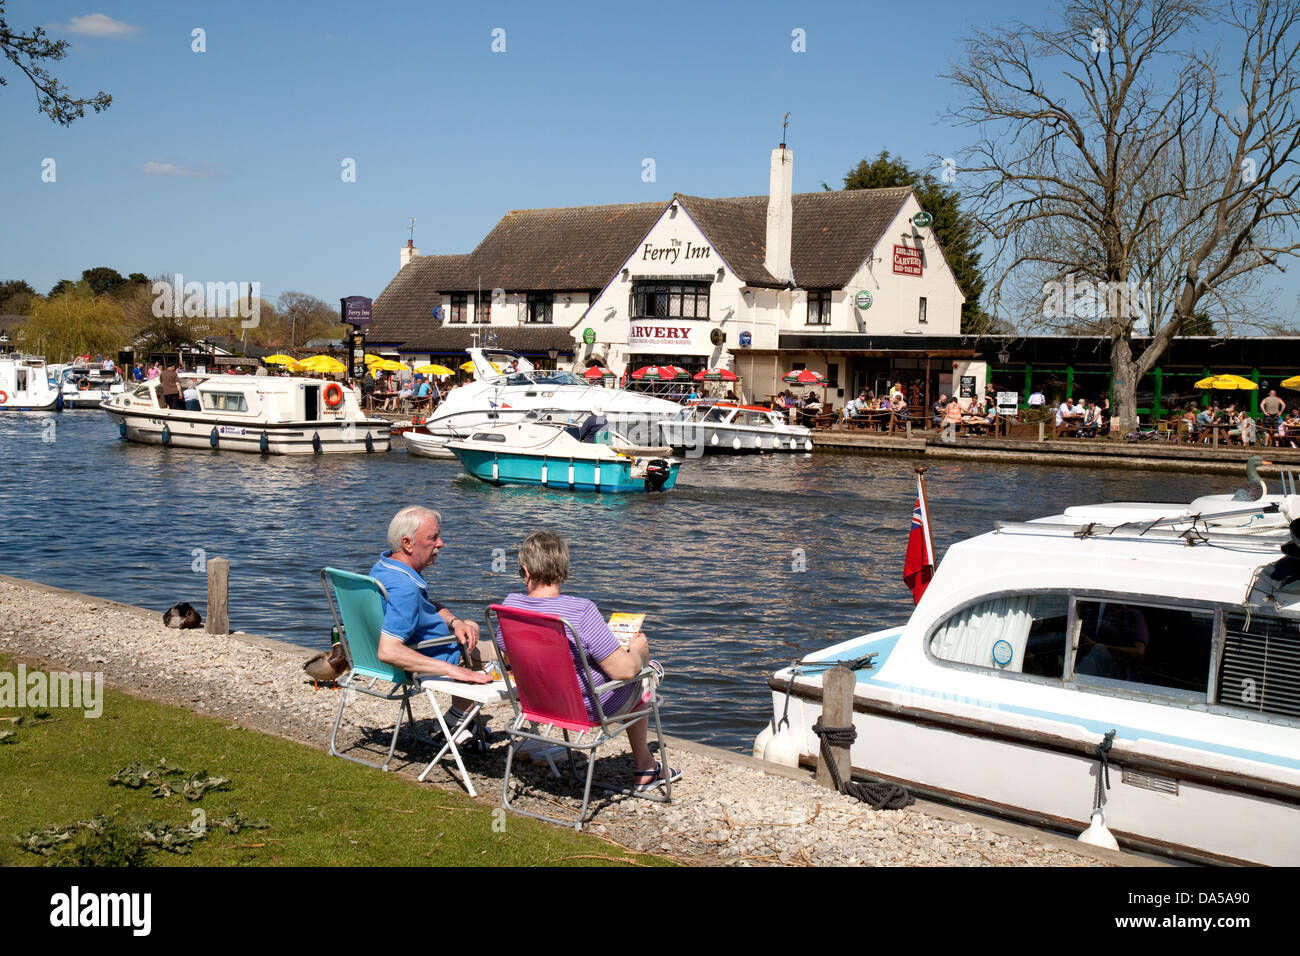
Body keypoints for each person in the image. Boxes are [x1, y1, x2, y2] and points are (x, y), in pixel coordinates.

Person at [495, 530, 680, 792]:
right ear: (563, 570)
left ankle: (650, 677)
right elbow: (624, 670)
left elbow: (508, 654)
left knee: (620, 670)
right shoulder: (580, 611)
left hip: (536, 703)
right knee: (642, 677)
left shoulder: (509, 607)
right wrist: (638, 650)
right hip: (584, 709)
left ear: (525, 571)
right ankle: (646, 767)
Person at [370, 507, 495, 738]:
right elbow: (388, 651)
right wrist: (454, 670)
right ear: (408, 543)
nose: (441, 543)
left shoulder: (385, 567)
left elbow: (424, 606)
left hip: (419, 647)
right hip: (431, 656)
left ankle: (460, 724)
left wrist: (455, 621)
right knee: (508, 657)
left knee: (469, 627)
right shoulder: (405, 588)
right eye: (433, 538)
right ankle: (452, 723)